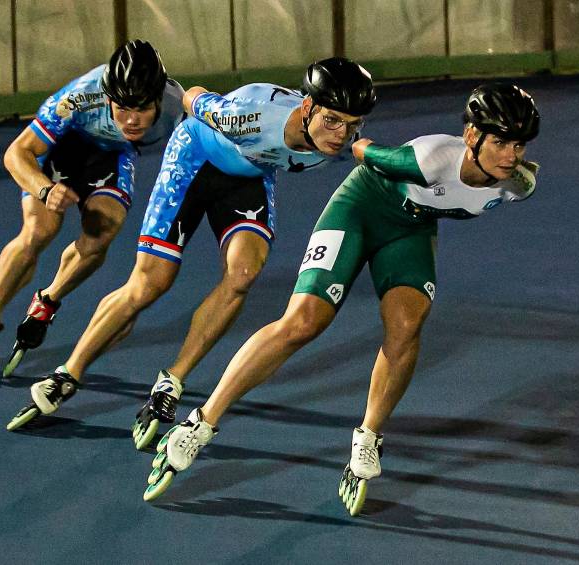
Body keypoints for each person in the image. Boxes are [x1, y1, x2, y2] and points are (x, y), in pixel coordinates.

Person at [142, 83, 541, 516]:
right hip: (362, 205)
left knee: (407, 327)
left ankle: (368, 439)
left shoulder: (517, 184)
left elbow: (518, 177)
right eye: (499, 142)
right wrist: (343, 134)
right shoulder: (428, 160)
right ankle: (200, 423)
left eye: (517, 144)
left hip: (410, 228)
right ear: (470, 136)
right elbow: (362, 149)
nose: (509, 156)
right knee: (303, 322)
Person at [5, 57, 378, 436]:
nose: (339, 134)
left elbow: (375, 155)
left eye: (351, 125)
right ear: (307, 107)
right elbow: (194, 98)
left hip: (246, 177)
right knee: (150, 283)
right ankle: (68, 372)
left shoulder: (342, 140)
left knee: (244, 274)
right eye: (331, 120)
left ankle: (173, 380)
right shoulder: (249, 117)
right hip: (193, 158)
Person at [0, 40, 185, 381]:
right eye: (121, 108)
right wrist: (45, 188)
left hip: (111, 156)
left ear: (159, 98)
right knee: (39, 231)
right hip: (62, 148)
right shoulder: (79, 98)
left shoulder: (177, 106)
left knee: (103, 233)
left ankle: (48, 300)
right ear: (108, 97)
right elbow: (16, 153)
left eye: (141, 109)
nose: (131, 120)